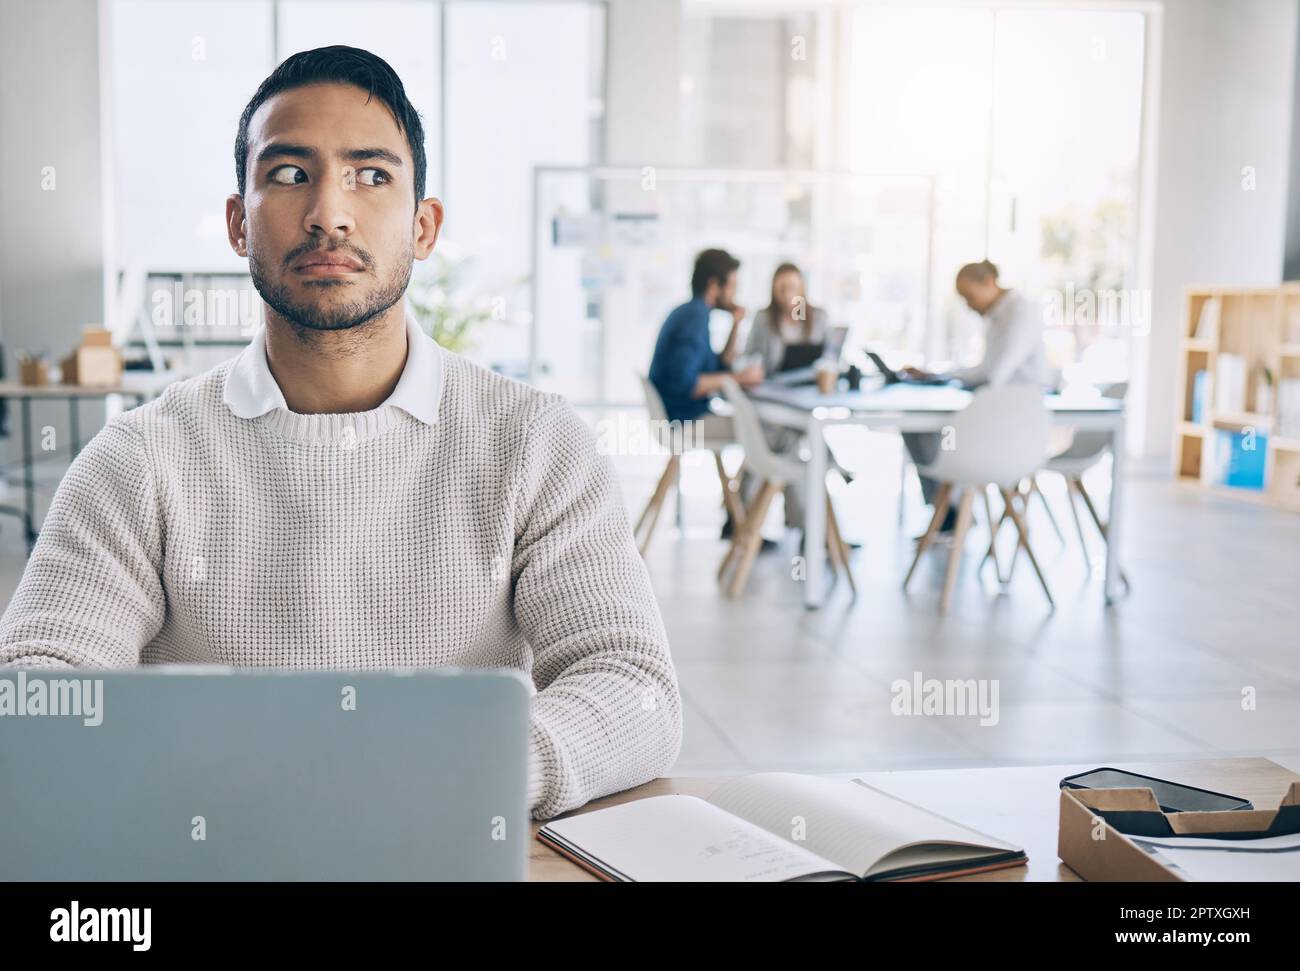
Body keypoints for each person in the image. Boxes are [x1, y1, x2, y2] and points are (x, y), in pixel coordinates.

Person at [0, 46, 682, 823]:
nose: (330, 212)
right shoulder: (140, 459)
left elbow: (633, 684)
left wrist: (466, 773)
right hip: (215, 853)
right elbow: (37, 687)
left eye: (371, 174)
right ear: (237, 222)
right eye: (290, 174)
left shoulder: (535, 444)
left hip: (448, 842)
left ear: (424, 227)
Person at [901, 259, 1053, 532]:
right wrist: (938, 375)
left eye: (969, 296)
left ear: (989, 283)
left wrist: (947, 377)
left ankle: (950, 508)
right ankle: (947, 507)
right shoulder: (998, 316)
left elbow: (995, 373)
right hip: (999, 411)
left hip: (1017, 421)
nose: (968, 305)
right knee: (915, 426)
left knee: (936, 432)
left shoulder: (1020, 312)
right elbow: (986, 370)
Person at [648, 248, 762, 539]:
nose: (735, 293)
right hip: (684, 420)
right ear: (715, 285)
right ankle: (747, 527)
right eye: (732, 285)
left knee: (759, 433)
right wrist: (737, 377)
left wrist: (736, 324)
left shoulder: (694, 313)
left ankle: (741, 522)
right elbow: (688, 384)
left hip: (684, 415)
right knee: (763, 435)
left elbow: (718, 366)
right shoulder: (694, 317)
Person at [739, 263, 832, 536]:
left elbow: (829, 356)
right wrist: (752, 367)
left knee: (795, 444)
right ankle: (814, 531)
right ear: (773, 290)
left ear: (803, 287)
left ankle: (804, 528)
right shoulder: (764, 318)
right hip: (772, 398)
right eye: (782, 288)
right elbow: (750, 356)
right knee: (793, 446)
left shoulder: (818, 317)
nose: (788, 294)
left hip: (807, 394)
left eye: (793, 287)